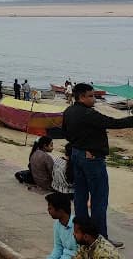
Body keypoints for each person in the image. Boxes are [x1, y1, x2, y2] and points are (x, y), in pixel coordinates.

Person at [63, 83, 133, 247]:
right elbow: (113, 123)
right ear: (81, 97)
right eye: (91, 96)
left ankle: (81, 234)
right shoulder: (88, 114)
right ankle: (100, 238)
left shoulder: (68, 111)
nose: (94, 99)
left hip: (77, 155)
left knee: (80, 197)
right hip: (91, 159)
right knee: (99, 200)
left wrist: (79, 145)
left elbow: (65, 132)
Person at [45, 191, 77, 259]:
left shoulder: (77, 225)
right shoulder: (57, 224)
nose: (48, 210)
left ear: (60, 211)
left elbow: (81, 252)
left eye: (50, 208)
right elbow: (58, 247)